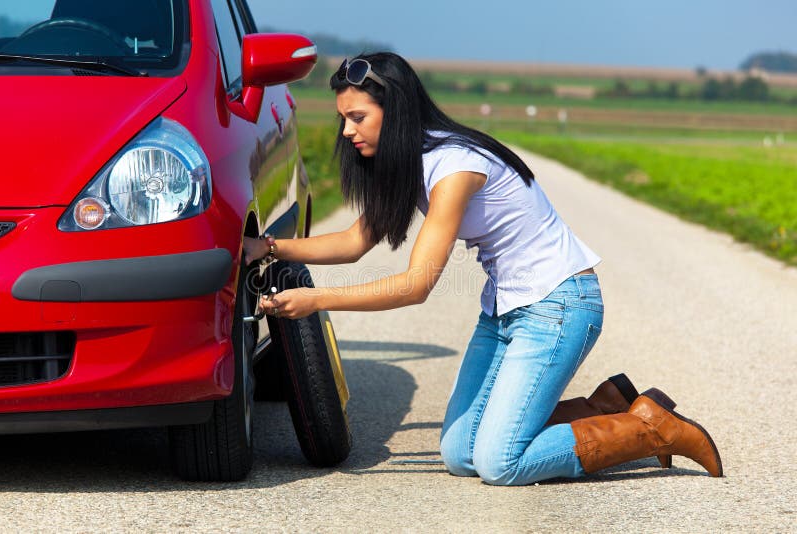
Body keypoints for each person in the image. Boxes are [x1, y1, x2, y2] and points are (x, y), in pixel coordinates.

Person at [243, 52, 722, 485]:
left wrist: (315, 300)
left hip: (558, 307)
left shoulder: (454, 167)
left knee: (500, 463)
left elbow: (415, 286)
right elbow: (353, 242)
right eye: (344, 119)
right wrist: (265, 247)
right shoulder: (411, 165)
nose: (347, 131)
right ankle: (603, 408)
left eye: (357, 117)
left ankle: (648, 428)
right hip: (505, 311)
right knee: (458, 453)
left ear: (397, 111)